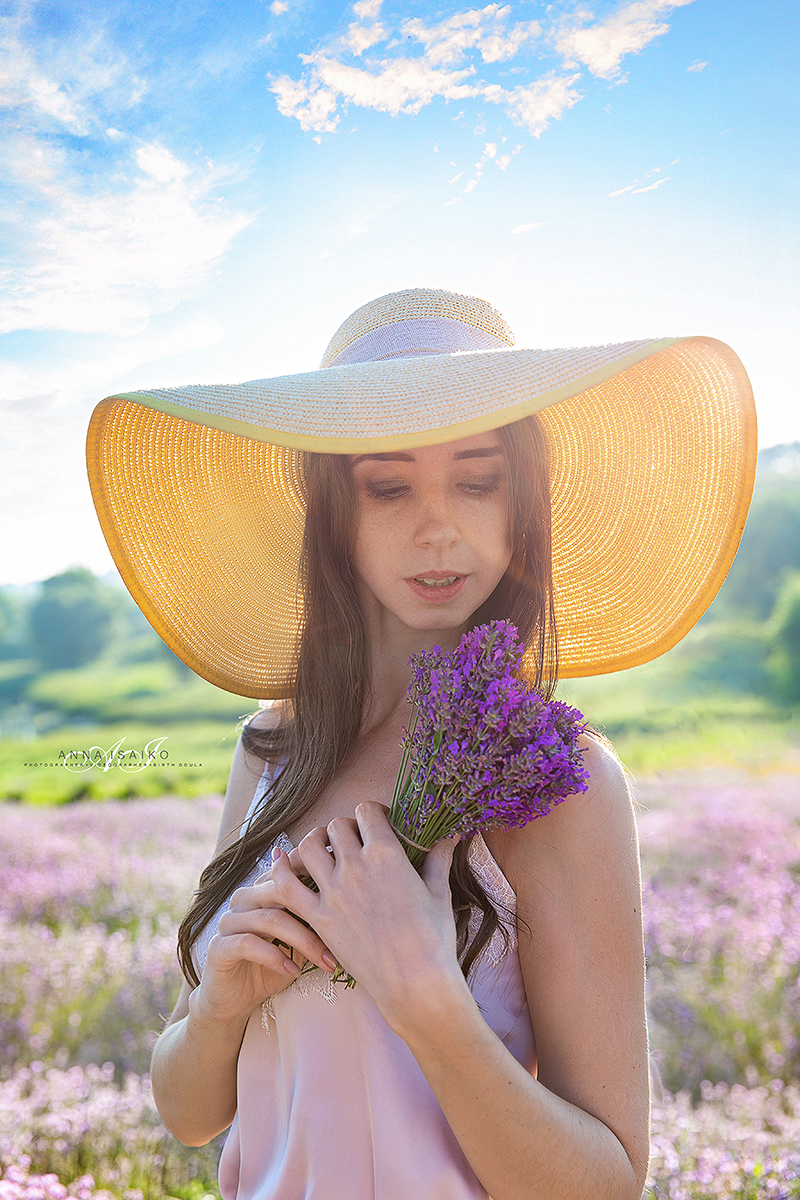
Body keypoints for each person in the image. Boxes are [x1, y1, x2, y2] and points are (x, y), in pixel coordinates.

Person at [86, 287, 756, 1200]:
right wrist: (218, 1009)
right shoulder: (276, 750)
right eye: (389, 485)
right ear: (336, 508)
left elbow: (609, 1181)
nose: (436, 526)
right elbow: (191, 1113)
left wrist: (427, 999)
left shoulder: (558, 783)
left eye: (477, 480)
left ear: (522, 501)